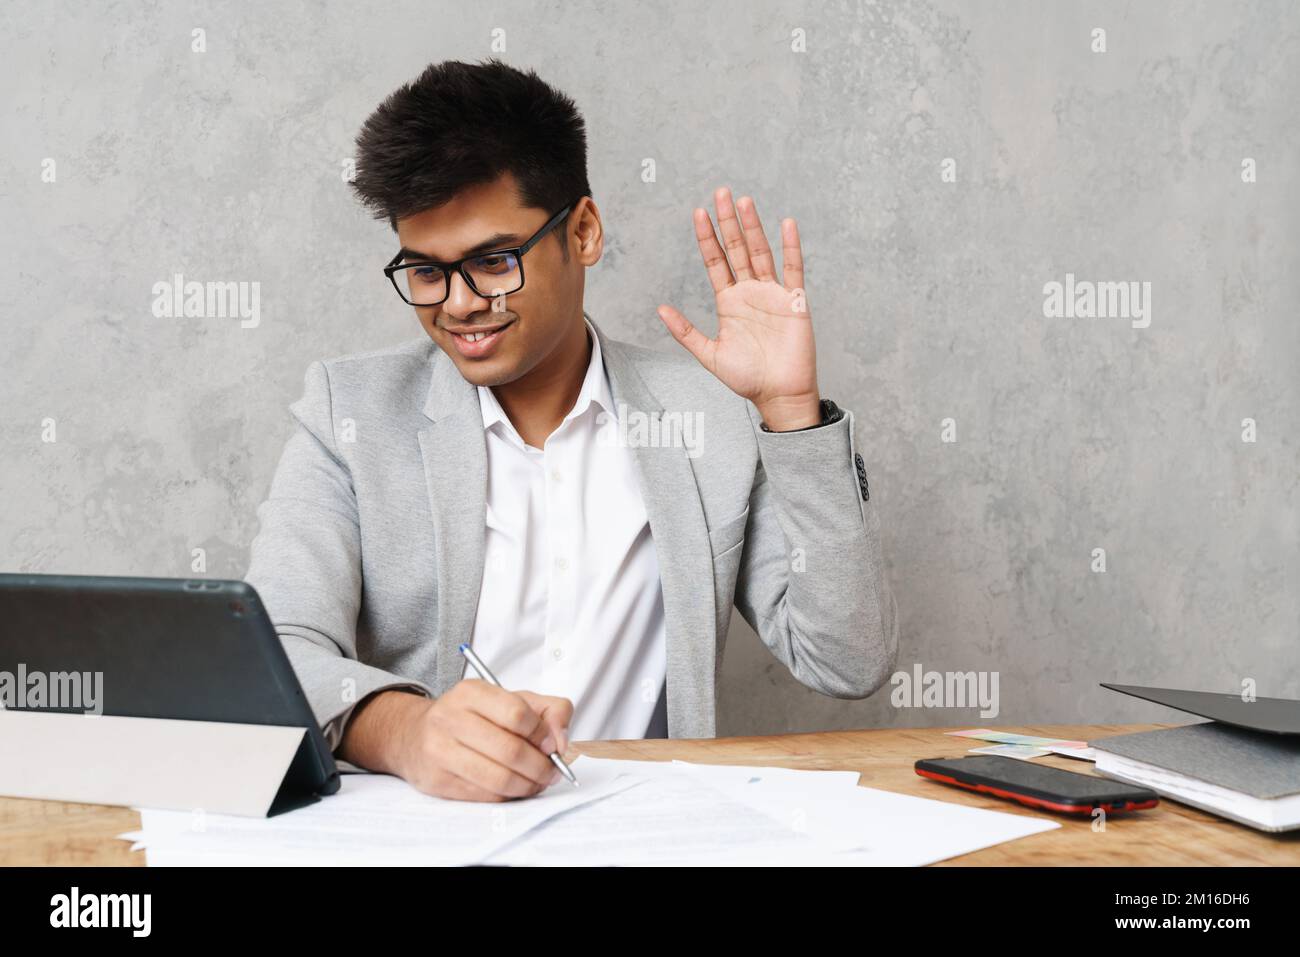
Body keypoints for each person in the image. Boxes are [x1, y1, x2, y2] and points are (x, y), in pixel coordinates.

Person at [244, 58, 898, 803]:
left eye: (494, 261)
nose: (459, 304)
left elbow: (848, 660)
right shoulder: (349, 413)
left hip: (647, 837)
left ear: (583, 232)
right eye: (426, 272)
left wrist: (791, 415)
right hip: (429, 834)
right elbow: (276, 649)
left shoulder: (708, 412)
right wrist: (408, 732)